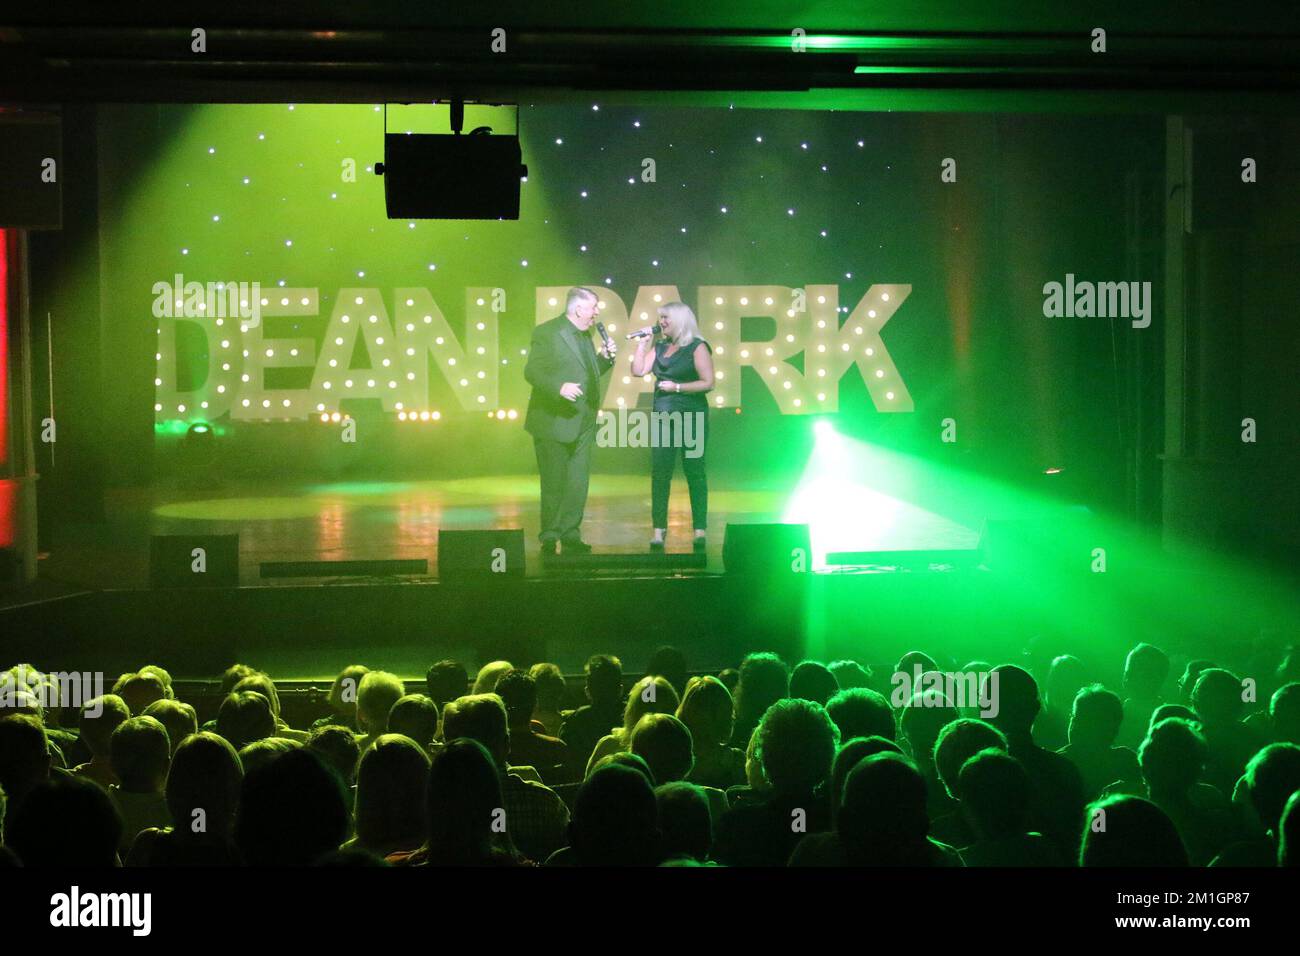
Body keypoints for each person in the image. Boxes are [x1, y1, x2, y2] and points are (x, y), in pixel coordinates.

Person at [523, 286, 616, 555]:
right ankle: (550, 535)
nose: (597, 313)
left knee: (578, 482)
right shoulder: (547, 331)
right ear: (578, 309)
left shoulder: (586, 336)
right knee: (554, 481)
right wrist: (558, 387)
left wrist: (605, 359)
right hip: (553, 420)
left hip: (583, 420)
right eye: (593, 307)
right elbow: (532, 371)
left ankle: (571, 533)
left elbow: (589, 374)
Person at [629, 301, 715, 552]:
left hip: (692, 416)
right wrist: (642, 343)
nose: (661, 322)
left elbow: (708, 382)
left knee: (695, 472)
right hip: (664, 417)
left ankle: (699, 529)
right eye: (660, 318)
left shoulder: (697, 347)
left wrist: (677, 387)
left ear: (679, 320)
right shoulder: (661, 346)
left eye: (665, 318)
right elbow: (638, 370)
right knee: (660, 473)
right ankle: (658, 530)